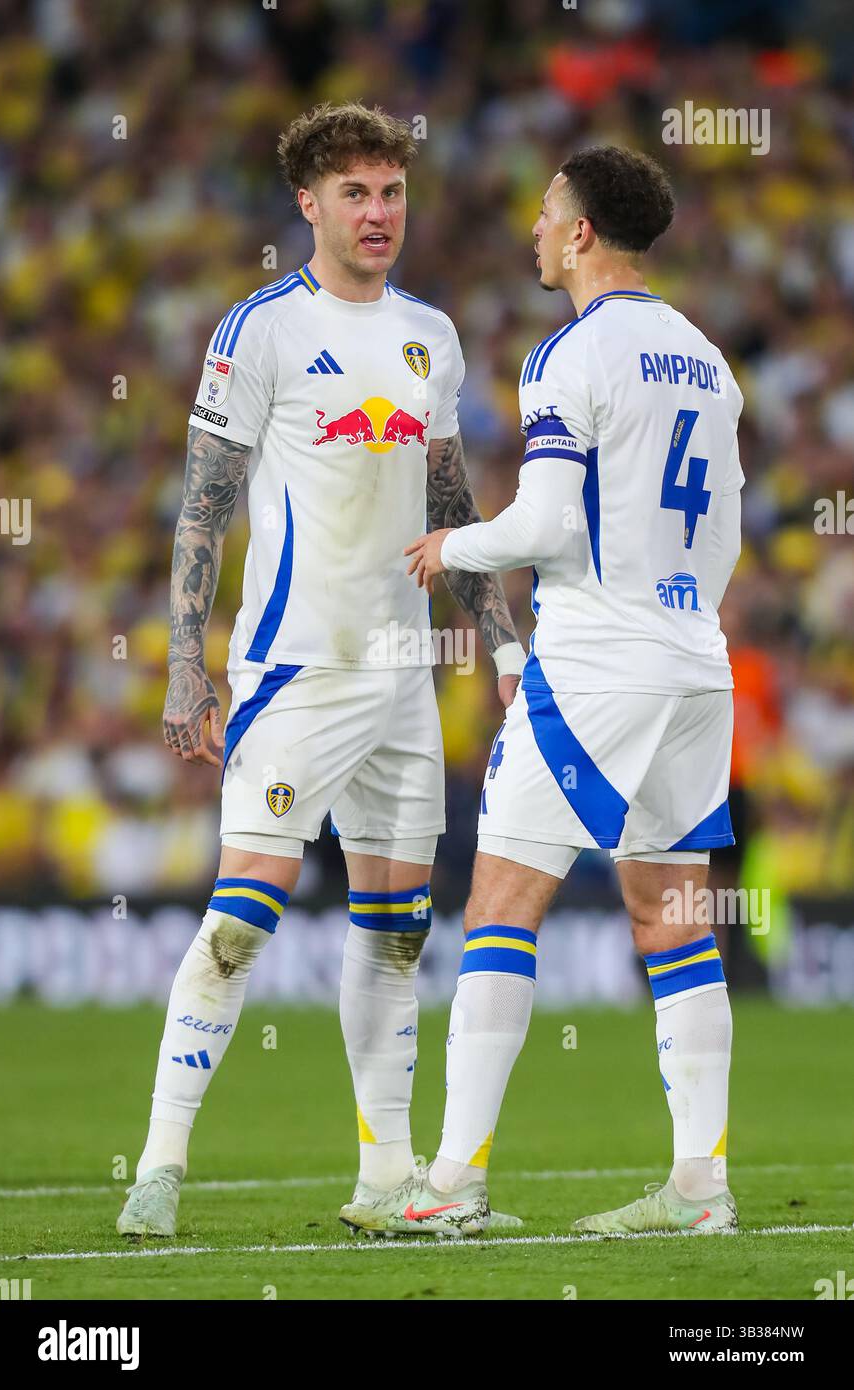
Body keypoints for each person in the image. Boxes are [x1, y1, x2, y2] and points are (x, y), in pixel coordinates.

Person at [117, 101, 524, 1238]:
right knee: (241, 921)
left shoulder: (430, 336)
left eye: (391, 190)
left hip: (402, 677)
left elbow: (451, 510)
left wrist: (499, 642)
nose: (379, 211)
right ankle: (158, 1166)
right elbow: (201, 507)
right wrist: (186, 670)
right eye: (354, 192)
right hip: (295, 668)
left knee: (394, 933)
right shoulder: (260, 330)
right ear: (307, 204)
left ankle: (385, 1175)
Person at [340, 146, 744, 1237]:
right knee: (671, 914)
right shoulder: (706, 360)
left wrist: (450, 544)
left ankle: (448, 1184)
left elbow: (549, 525)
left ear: (577, 234)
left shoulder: (571, 354)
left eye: (546, 210)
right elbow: (728, 533)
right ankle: (699, 1187)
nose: (531, 224)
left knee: (500, 901)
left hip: (598, 658)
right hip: (693, 657)